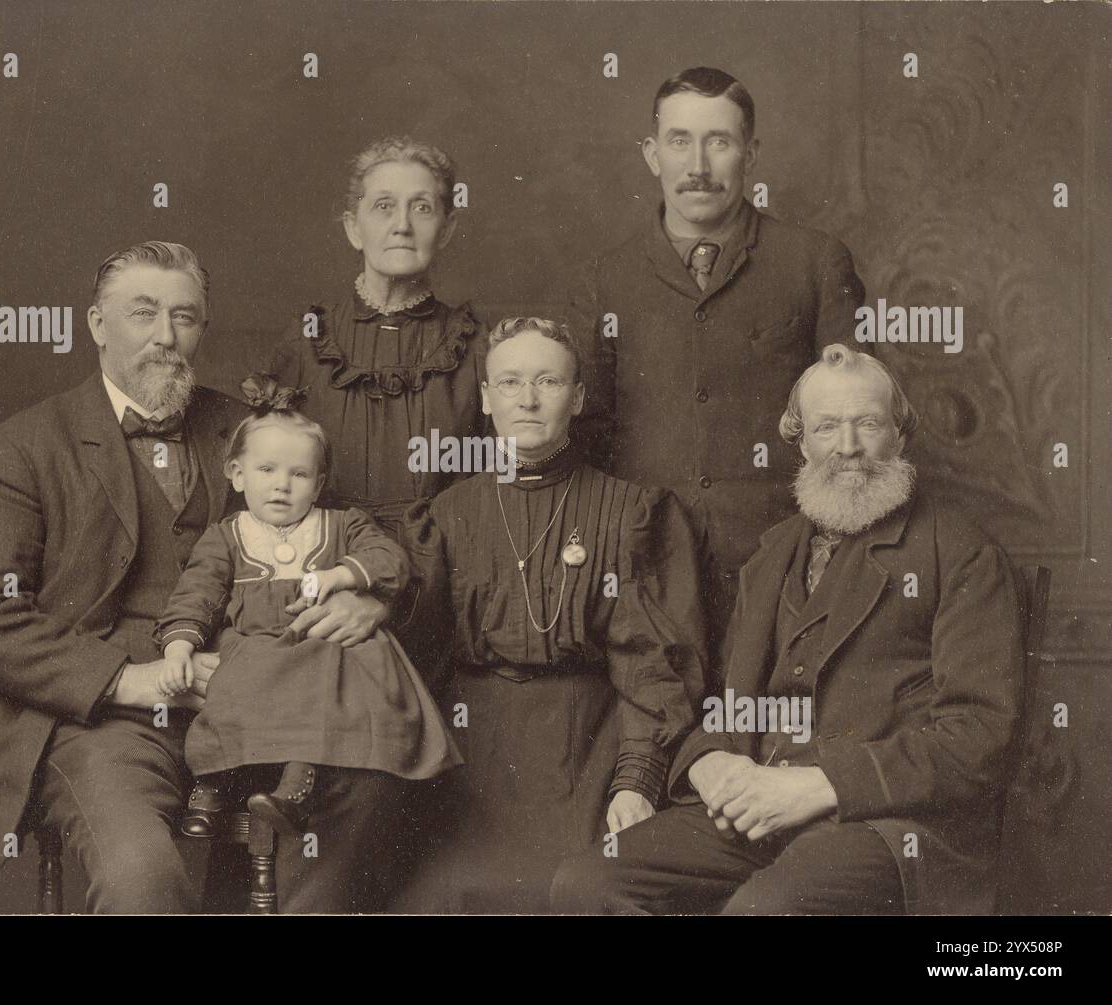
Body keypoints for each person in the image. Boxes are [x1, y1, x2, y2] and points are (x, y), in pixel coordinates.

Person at [551, 344, 1025, 915]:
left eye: (868, 424)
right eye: (827, 427)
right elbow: (718, 700)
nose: (847, 448)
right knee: (586, 885)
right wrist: (710, 761)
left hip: (887, 823)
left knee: (763, 911)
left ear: (901, 434)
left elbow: (979, 735)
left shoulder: (962, 553)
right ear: (800, 442)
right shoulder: (773, 553)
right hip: (762, 808)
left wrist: (819, 786)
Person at [0, 242, 248, 912]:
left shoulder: (246, 433)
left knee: (368, 801)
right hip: (98, 723)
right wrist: (122, 678)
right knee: (142, 877)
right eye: (143, 313)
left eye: (185, 317)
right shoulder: (26, 444)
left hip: (241, 706)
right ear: (97, 325)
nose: (166, 337)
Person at [398, 317, 707, 913]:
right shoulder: (447, 514)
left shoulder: (634, 512)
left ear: (579, 396)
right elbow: (418, 664)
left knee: (573, 891)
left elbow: (652, 666)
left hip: (589, 745)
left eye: (548, 381)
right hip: (470, 753)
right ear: (486, 397)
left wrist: (636, 777)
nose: (529, 399)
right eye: (510, 382)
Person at [570, 66, 867, 643]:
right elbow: (585, 432)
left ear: (750, 154)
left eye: (719, 142)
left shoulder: (816, 262)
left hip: (785, 565)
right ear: (652, 154)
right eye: (679, 141)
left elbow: (855, 419)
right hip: (644, 571)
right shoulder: (603, 280)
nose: (698, 166)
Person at [154, 376, 461, 840]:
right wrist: (178, 645)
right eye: (266, 471)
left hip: (318, 648)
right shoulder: (226, 536)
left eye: (298, 475)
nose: (282, 486)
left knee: (331, 669)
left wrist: (340, 577)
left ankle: (299, 782)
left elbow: (389, 560)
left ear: (318, 484)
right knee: (235, 676)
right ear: (236, 474)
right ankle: (212, 783)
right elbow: (196, 591)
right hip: (256, 650)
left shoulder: (341, 526)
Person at [267, 135, 486, 545]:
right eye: (383, 206)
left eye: (421, 208)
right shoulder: (307, 339)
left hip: (443, 570)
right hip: (319, 565)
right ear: (353, 227)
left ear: (446, 229)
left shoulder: (476, 347)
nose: (401, 225)